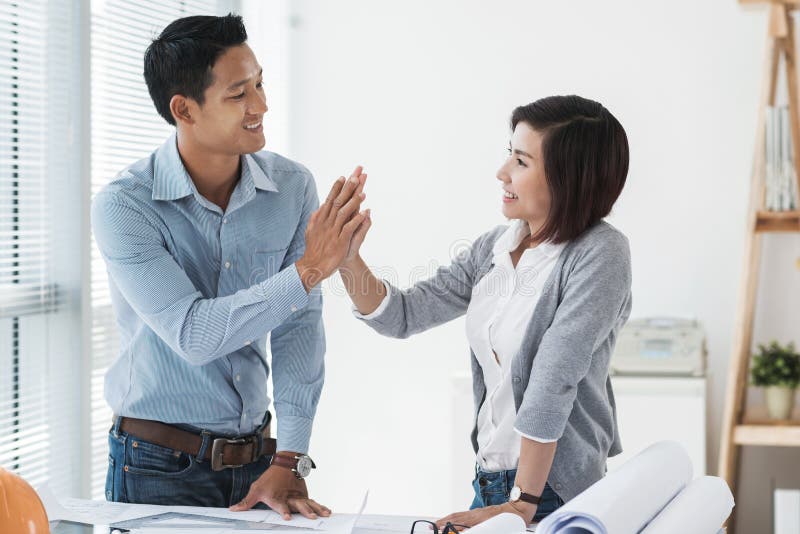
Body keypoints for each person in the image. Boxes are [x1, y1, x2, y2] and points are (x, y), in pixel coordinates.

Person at [91, 14, 367, 519]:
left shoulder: (291, 188)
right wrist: (307, 272)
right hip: (155, 465)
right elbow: (195, 335)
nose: (261, 105)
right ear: (184, 109)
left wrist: (291, 457)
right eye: (239, 94)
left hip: (262, 461)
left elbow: (297, 329)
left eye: (259, 84)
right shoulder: (125, 206)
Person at [337, 95, 632, 527]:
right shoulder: (494, 248)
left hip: (552, 491)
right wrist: (347, 259)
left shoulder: (600, 253)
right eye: (508, 154)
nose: (502, 172)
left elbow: (555, 375)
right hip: (493, 484)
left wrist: (523, 501)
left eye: (522, 161)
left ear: (569, 178)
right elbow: (404, 315)